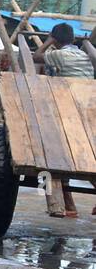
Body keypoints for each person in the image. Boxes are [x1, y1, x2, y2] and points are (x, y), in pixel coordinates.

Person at [38, 23, 94, 218]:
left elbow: (35, 57)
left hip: (67, 108)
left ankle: (64, 205)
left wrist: (47, 42)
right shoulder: (85, 55)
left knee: (53, 157)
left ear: (56, 39)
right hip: (87, 107)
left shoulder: (59, 55)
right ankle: (70, 205)